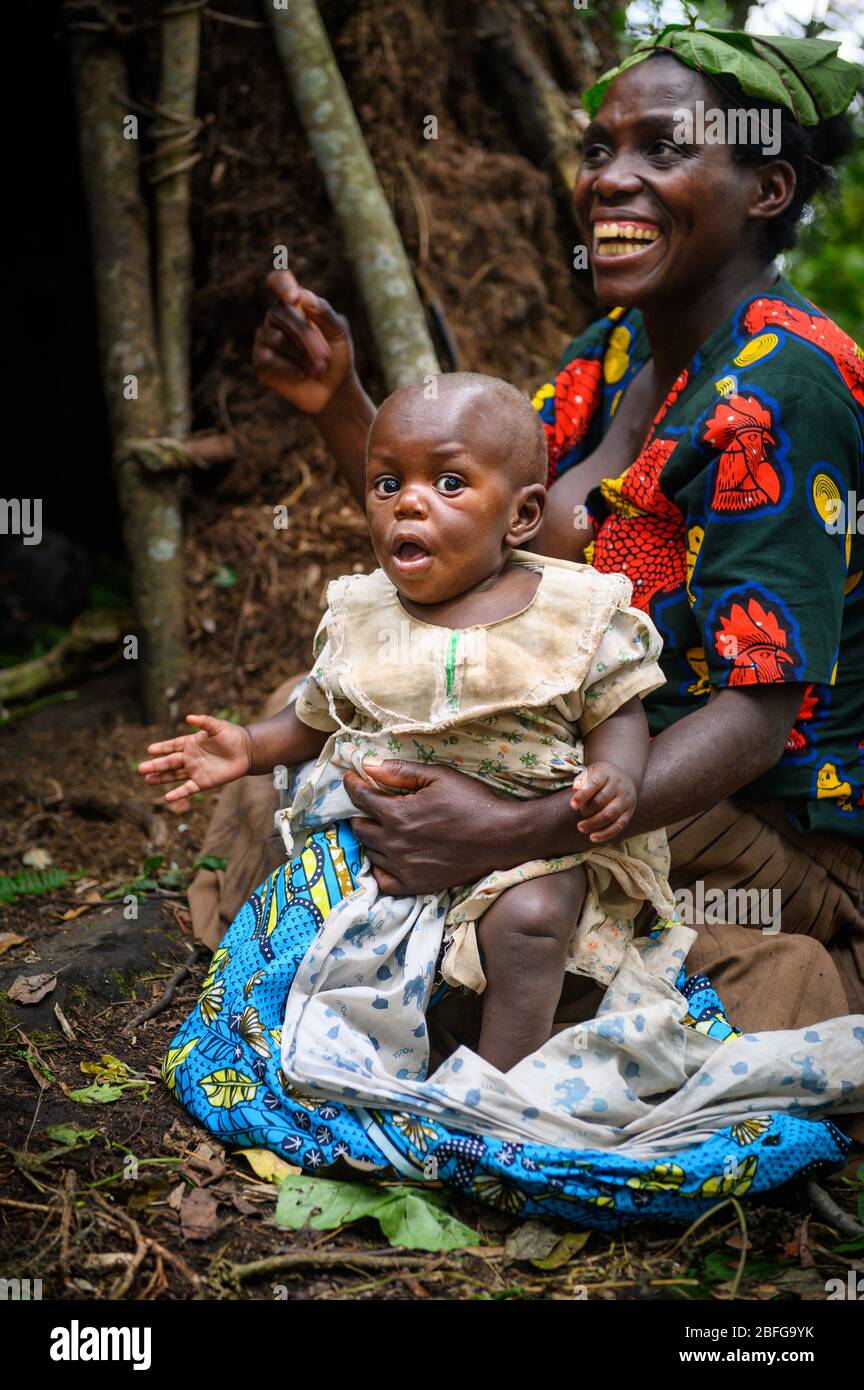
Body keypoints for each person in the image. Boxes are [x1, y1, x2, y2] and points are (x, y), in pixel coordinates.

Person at [241, 27, 863, 1035]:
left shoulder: (785, 386)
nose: (612, 180)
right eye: (599, 149)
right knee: (314, 721)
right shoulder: (616, 348)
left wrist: (503, 830)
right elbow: (473, 537)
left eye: (663, 149)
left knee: (397, 803)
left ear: (768, 190)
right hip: (584, 760)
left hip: (749, 826)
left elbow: (756, 722)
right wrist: (337, 400)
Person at [142, 373, 673, 1072]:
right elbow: (317, 716)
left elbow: (618, 708)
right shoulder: (366, 615)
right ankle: (347, 1056)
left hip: (532, 838)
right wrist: (247, 744)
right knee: (318, 911)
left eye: (449, 483)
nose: (409, 503)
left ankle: (502, 1085)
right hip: (390, 840)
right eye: (387, 484)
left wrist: (615, 773)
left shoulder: (568, 615)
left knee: (534, 919)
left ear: (520, 516)